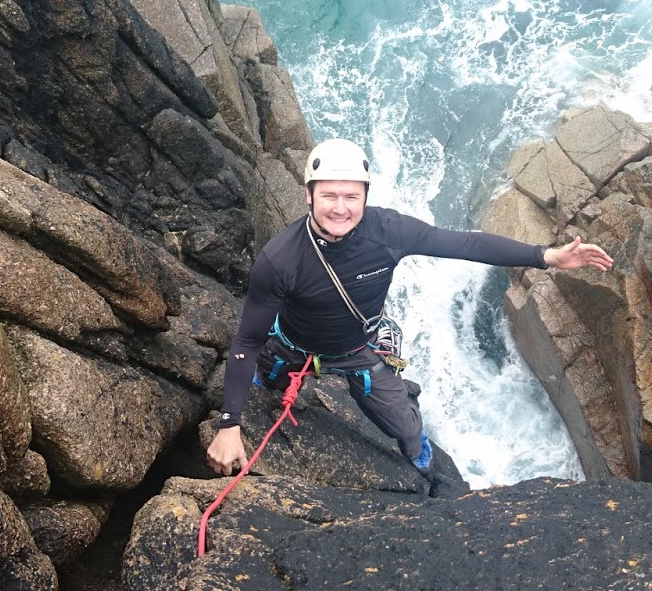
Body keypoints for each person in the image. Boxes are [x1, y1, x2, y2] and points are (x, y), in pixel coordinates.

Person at [206, 138, 614, 477]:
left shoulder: (389, 231)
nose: (340, 208)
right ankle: (269, 381)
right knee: (265, 383)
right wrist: (229, 424)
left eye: (351, 196)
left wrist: (546, 256)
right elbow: (248, 340)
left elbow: (465, 243)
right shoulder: (280, 259)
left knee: (407, 430)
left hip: (356, 349)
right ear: (308, 195)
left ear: (366, 197)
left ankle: (417, 448)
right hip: (292, 344)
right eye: (328, 195)